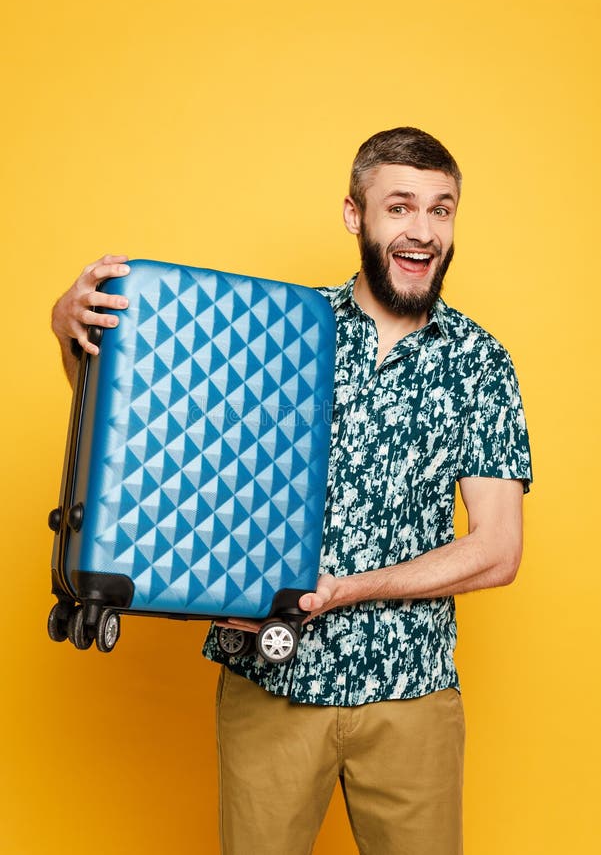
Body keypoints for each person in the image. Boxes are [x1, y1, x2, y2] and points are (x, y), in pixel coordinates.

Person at [51, 127, 532, 855]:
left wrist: (350, 589)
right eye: (399, 206)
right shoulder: (275, 330)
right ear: (354, 214)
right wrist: (71, 334)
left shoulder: (481, 364)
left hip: (413, 695)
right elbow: (143, 434)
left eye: (441, 209)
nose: (423, 230)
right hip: (269, 686)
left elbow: (496, 551)